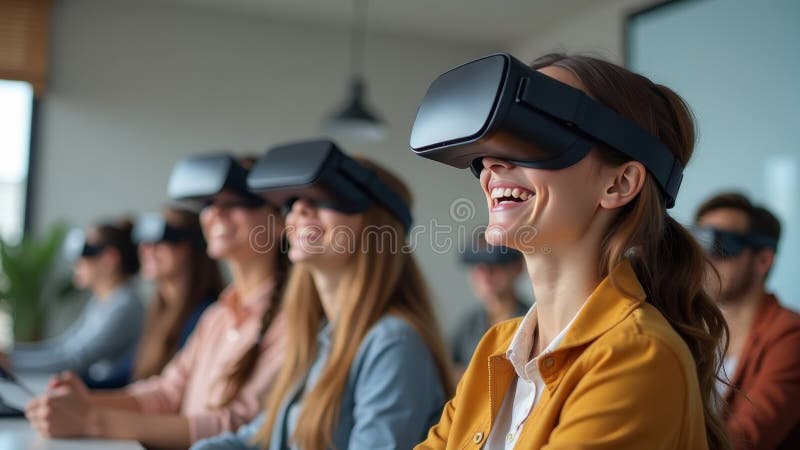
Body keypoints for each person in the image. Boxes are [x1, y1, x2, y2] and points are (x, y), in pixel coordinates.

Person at [413, 53, 730, 449]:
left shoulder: (635, 355)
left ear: (619, 184)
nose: (491, 162)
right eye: (490, 145)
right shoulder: (495, 350)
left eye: (531, 134)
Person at [191, 140, 453, 450]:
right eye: (292, 200)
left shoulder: (393, 343)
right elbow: (256, 437)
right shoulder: (319, 339)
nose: (299, 209)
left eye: (324, 197)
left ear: (376, 226)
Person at [25, 155, 289, 449]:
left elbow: (239, 428)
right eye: (209, 204)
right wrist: (85, 401)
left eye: (238, 202)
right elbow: (167, 391)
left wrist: (91, 419)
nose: (216, 213)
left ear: (279, 221)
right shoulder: (218, 315)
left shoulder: (292, 321)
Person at [694, 192, 800, 450]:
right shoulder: (690, 328)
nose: (705, 258)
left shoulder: (791, 336)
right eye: (699, 243)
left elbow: (745, 438)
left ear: (763, 260)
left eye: (721, 245)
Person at [84, 207, 225, 388]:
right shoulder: (159, 311)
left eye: (160, 238)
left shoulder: (206, 315)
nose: (146, 249)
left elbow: (171, 394)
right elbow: (127, 374)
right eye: (143, 240)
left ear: (188, 248)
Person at [7, 219, 143, 377]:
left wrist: (11, 362)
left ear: (110, 259)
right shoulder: (101, 302)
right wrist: (10, 355)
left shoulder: (126, 306)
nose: (75, 264)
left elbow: (76, 360)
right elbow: (62, 347)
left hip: (101, 392)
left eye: (84, 251)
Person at [450, 233, 528, 378]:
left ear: (518, 267)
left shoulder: (534, 320)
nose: (486, 274)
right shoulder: (467, 324)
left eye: (496, 264)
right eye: (478, 266)